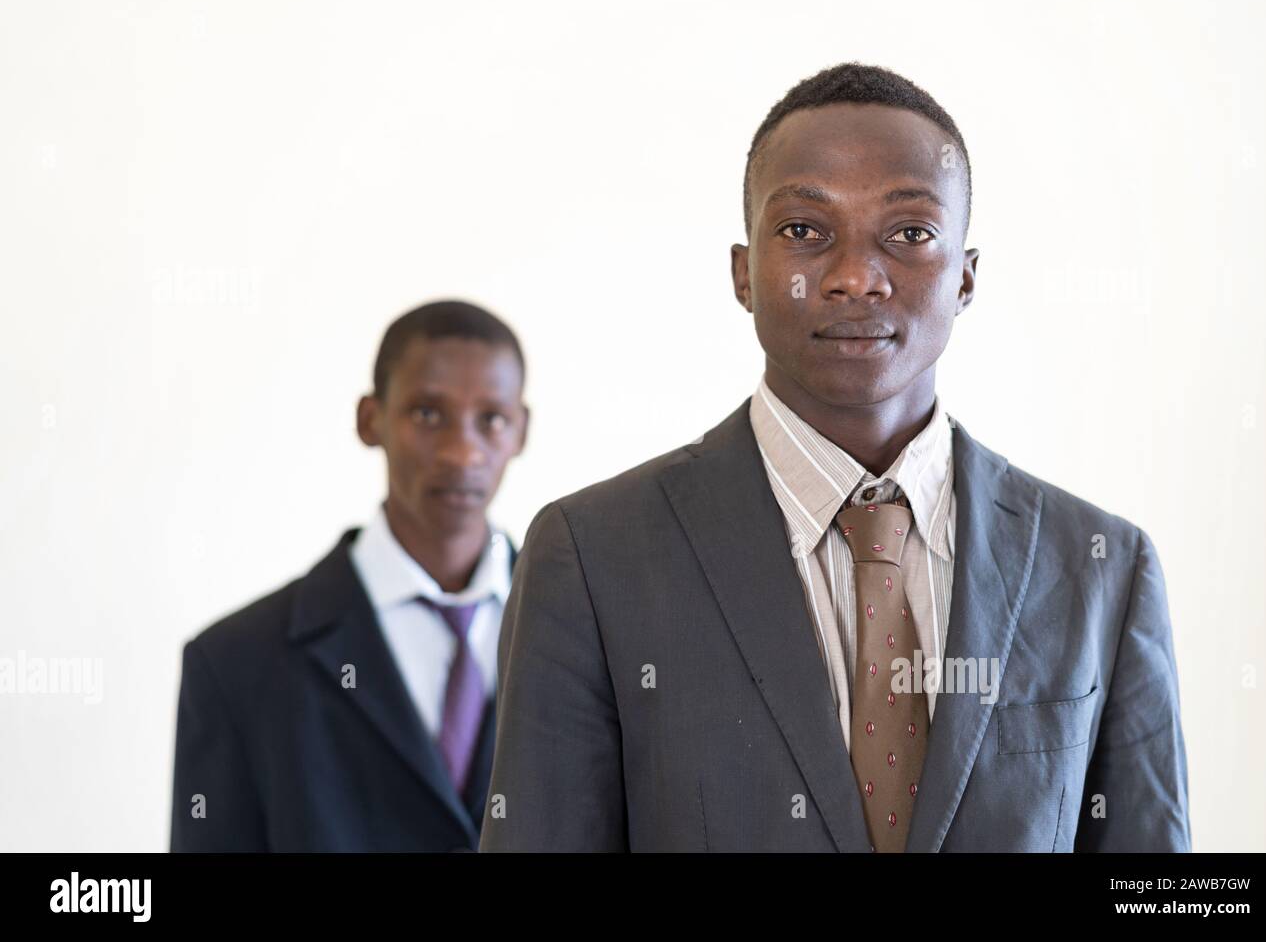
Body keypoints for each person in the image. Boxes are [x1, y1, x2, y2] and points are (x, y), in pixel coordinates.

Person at [479, 64, 1190, 852]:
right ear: (745, 274)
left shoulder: (1100, 567)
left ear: (965, 277)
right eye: (804, 232)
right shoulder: (593, 556)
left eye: (910, 234)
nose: (856, 276)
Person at [171, 300, 529, 851]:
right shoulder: (235, 662)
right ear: (371, 419)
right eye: (428, 414)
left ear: (521, 431)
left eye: (492, 419)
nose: (462, 453)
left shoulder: (593, 637)